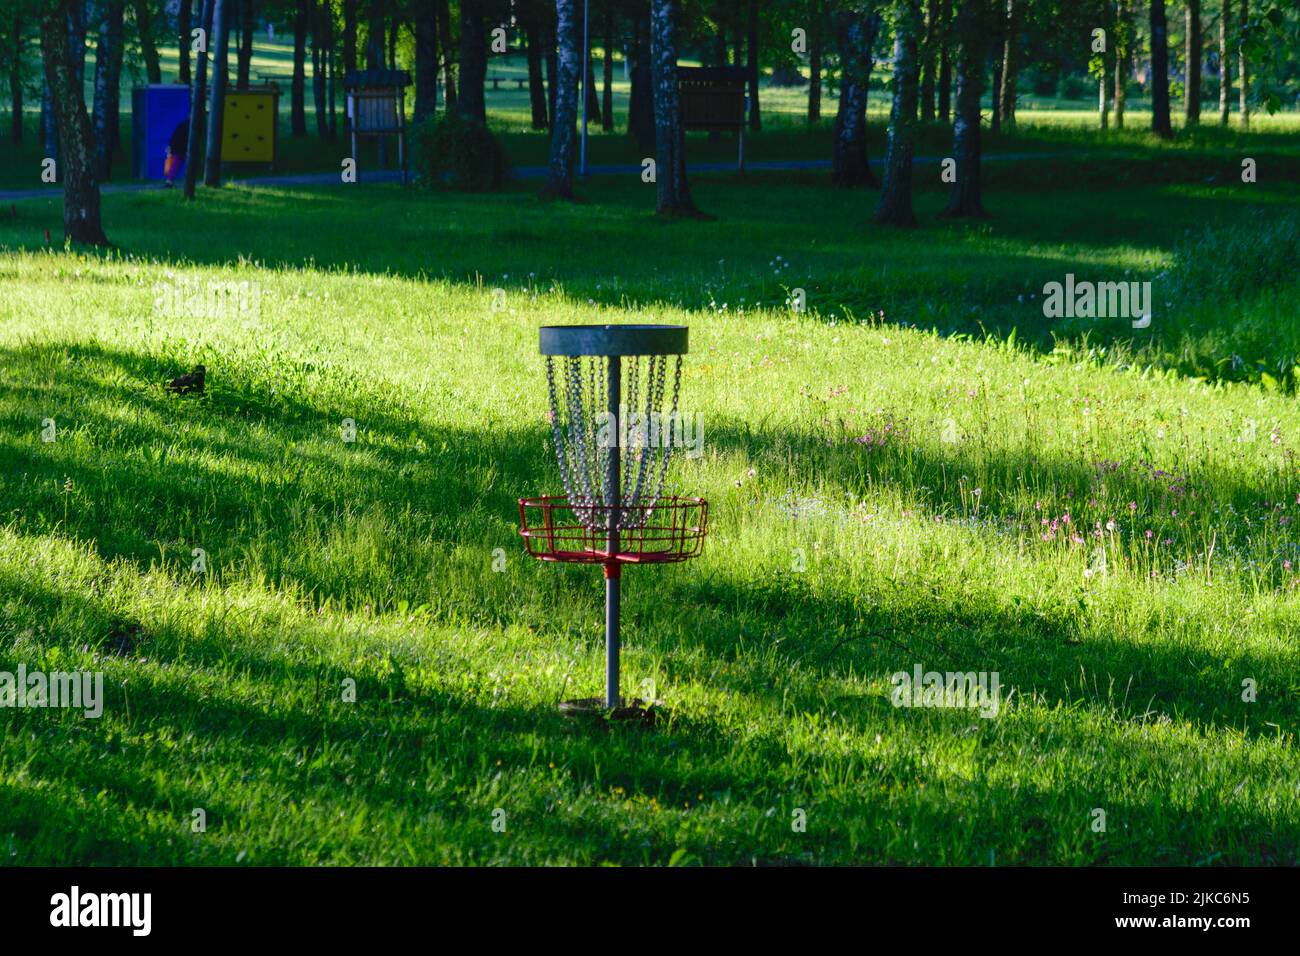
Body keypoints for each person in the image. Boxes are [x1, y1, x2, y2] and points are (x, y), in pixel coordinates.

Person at [164, 120, 189, 187]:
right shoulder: (187, 125)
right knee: (176, 164)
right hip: (178, 147)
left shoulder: (184, 124)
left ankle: (169, 180)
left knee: (175, 164)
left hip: (176, 146)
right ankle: (169, 181)